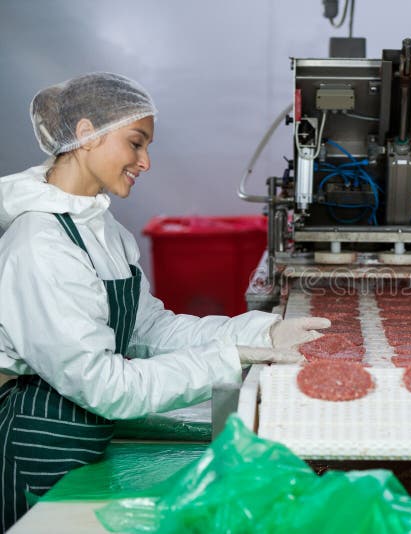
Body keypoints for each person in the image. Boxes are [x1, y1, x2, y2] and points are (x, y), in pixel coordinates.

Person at [0, 72, 329, 529]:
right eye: (136, 143)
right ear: (85, 135)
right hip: (36, 451)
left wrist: (261, 330)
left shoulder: (102, 231)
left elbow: (152, 330)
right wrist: (226, 360)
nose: (146, 161)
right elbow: (104, 385)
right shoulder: (40, 244)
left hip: (81, 444)